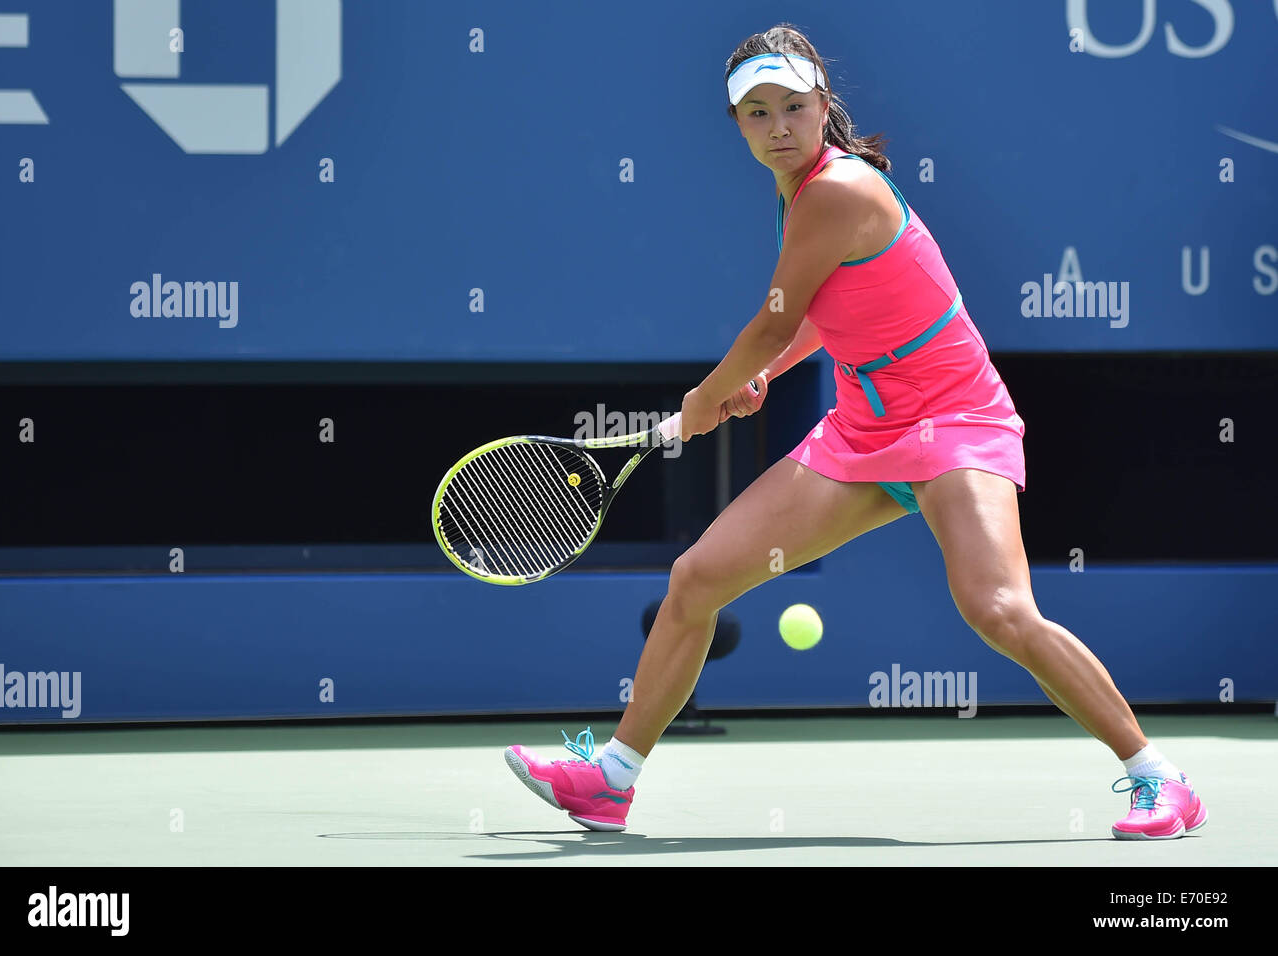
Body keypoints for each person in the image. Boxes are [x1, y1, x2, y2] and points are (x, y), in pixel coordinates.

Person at [505, 24, 1206, 841]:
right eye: (757, 112)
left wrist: (706, 399)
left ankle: (1159, 777)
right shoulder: (796, 191)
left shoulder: (839, 189)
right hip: (863, 431)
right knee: (696, 579)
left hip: (953, 422)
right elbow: (812, 317)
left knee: (998, 608)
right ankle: (610, 779)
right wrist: (765, 376)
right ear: (735, 124)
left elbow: (770, 327)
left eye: (794, 108)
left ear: (823, 107)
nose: (778, 127)